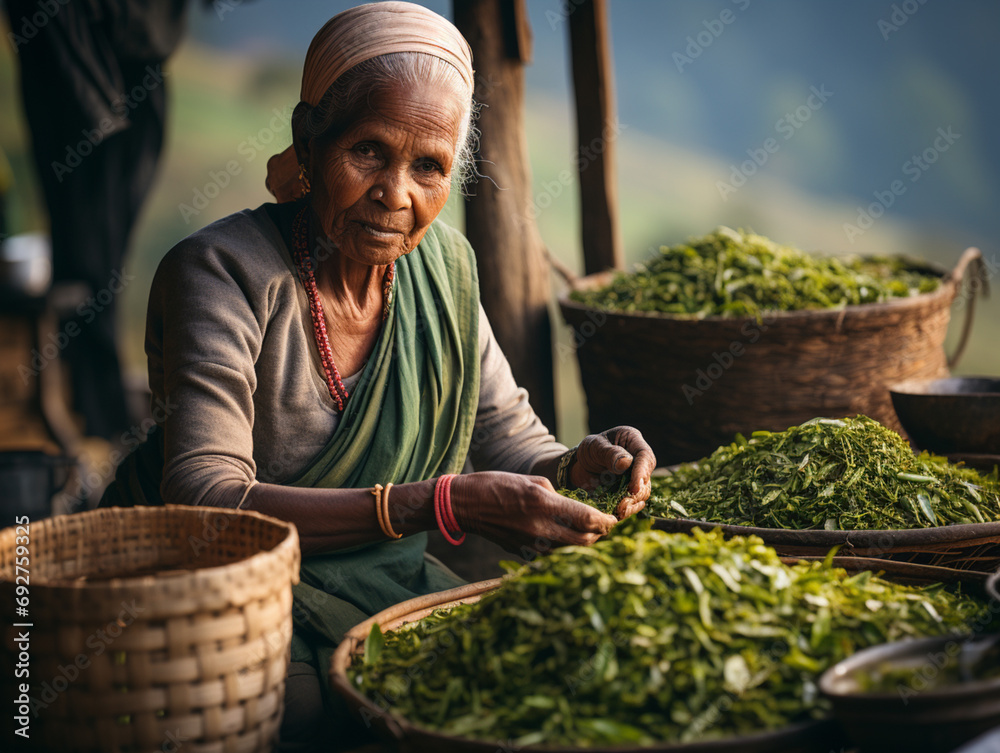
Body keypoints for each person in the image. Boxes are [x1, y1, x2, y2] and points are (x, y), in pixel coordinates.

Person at [101, 3, 655, 749]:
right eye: (368, 152)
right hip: (224, 596)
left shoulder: (443, 269)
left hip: (385, 587)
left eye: (429, 166)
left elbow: (510, 434)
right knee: (296, 712)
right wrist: (437, 502)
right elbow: (208, 503)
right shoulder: (224, 273)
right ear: (307, 139)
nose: (397, 193)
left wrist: (574, 464)